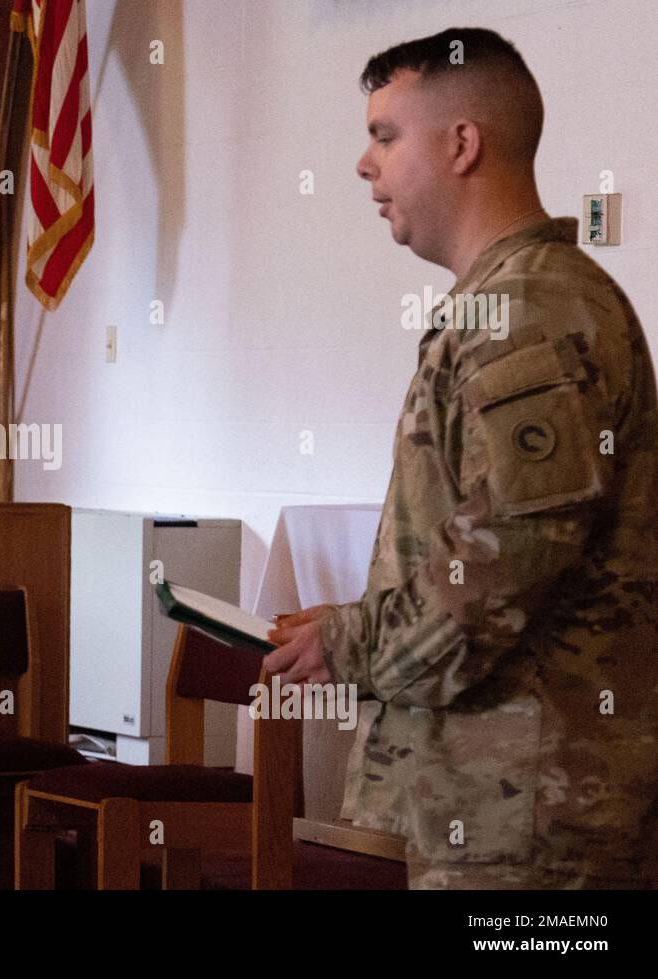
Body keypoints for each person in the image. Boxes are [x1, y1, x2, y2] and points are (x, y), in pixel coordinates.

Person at [265, 27, 658, 889]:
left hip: (531, 831)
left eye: (384, 135)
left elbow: (497, 572)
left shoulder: (533, 309)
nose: (365, 165)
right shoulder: (501, 303)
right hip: (484, 809)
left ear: (463, 143)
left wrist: (352, 636)